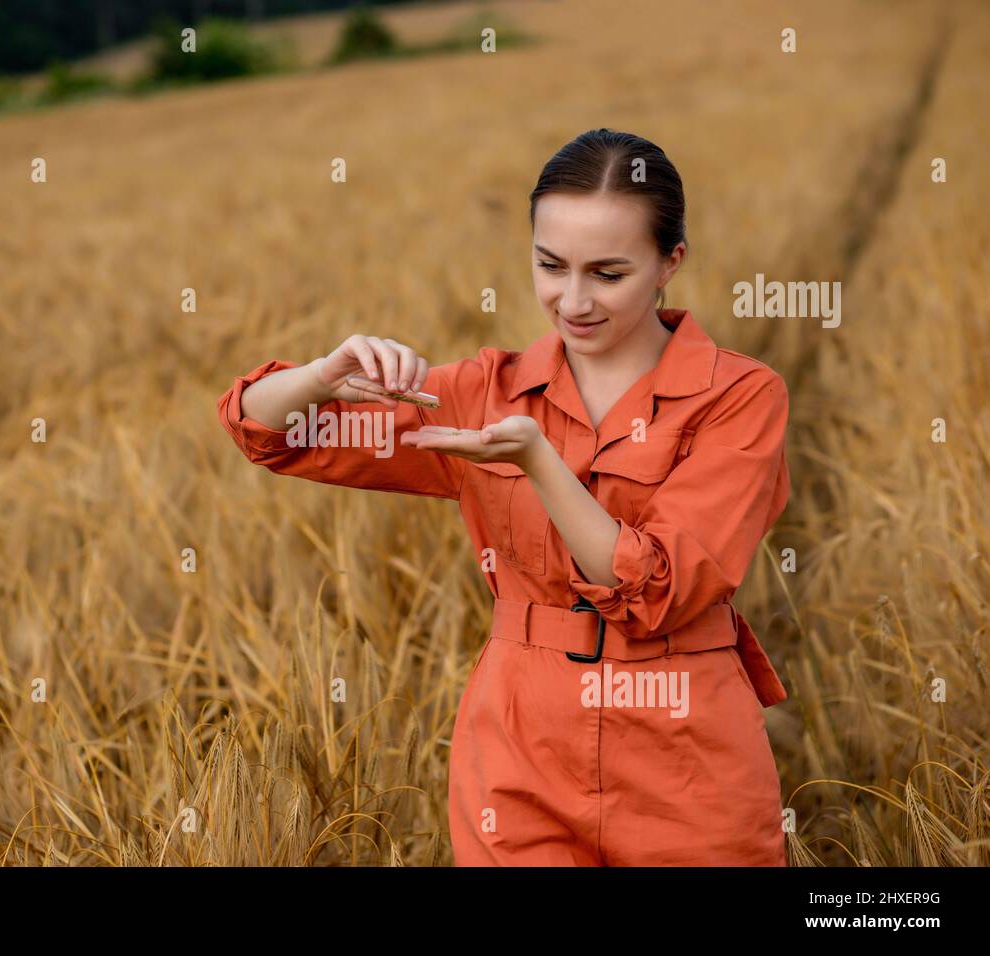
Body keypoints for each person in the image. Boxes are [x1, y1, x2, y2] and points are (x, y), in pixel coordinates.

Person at [215, 128, 791, 866]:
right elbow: (269, 434)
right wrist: (323, 376)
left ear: (669, 263)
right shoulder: (482, 391)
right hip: (519, 749)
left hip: (686, 745)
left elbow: (660, 589)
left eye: (607, 273)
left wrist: (537, 460)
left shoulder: (739, 397)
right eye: (550, 266)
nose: (573, 300)